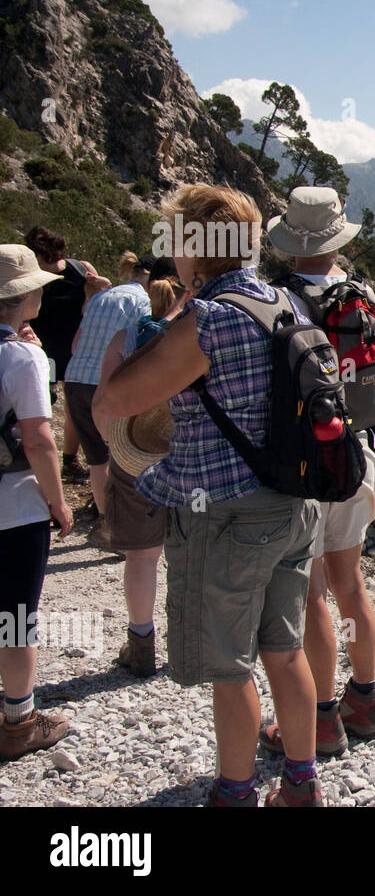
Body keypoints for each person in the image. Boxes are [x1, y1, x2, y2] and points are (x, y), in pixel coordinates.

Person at [96, 184, 324, 806]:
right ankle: (301, 784)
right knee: (284, 648)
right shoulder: (284, 305)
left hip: (223, 514)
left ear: (196, 246)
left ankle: (235, 791)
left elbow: (116, 401)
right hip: (291, 506)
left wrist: (142, 339)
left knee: (228, 666)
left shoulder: (208, 321)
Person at [257, 187, 375, 757]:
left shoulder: (278, 301)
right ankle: (365, 700)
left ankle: (321, 719)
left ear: (289, 243)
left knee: (310, 597)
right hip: (360, 455)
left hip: (310, 464)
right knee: (351, 585)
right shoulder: (364, 295)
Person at [93, 266, 186, 678]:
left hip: (137, 455)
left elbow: (103, 404)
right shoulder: (203, 336)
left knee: (143, 557)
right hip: (189, 457)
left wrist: (117, 446)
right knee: (189, 555)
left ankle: (141, 645)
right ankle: (189, 643)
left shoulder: (125, 338)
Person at [0, 244, 73, 761]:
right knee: (16, 617)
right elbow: (39, 440)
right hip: (16, 506)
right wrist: (59, 501)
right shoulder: (22, 357)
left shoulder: (25, 350)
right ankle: (19, 720)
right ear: (22, 295)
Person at [63, 254, 160, 548]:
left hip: (75, 376)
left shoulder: (99, 298)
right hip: (106, 383)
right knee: (118, 454)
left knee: (94, 456)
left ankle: (106, 522)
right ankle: (121, 523)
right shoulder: (142, 302)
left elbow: (76, 343)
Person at [25, 227, 110, 482]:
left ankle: (69, 461)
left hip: (73, 349)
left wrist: (100, 286)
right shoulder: (34, 275)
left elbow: (98, 302)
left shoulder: (80, 270)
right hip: (44, 351)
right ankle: (38, 460)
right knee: (42, 404)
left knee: (74, 408)